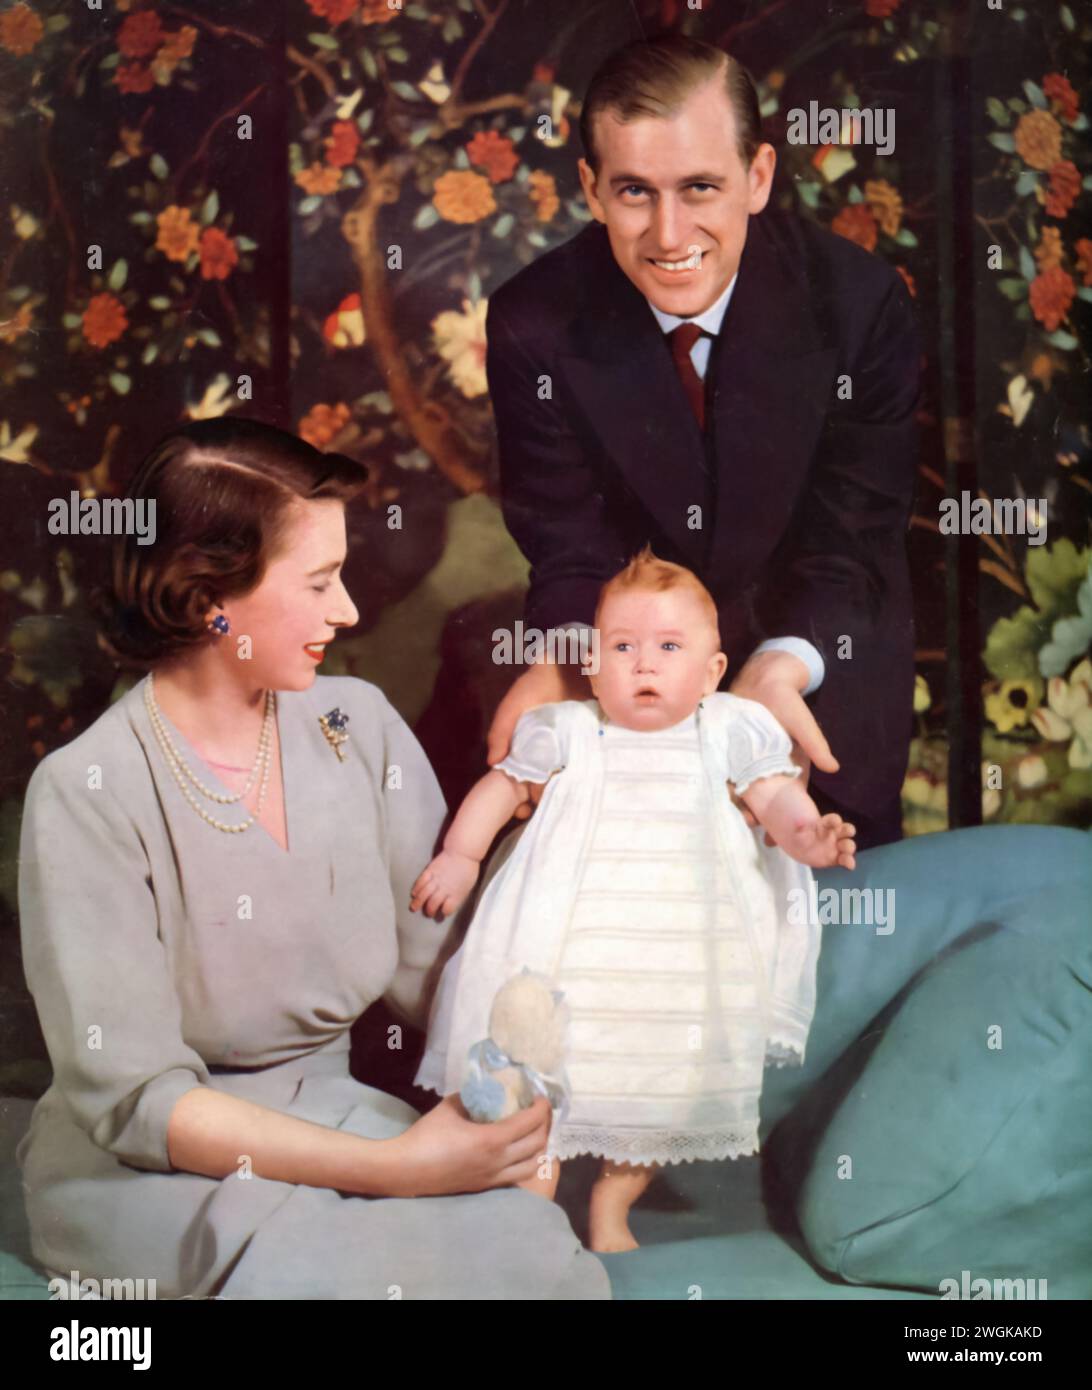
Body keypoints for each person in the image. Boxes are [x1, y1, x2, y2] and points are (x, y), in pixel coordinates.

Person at [16, 417, 609, 1300]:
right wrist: (404, 1169)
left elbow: (448, 965)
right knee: (332, 1277)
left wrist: (522, 1086)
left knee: (529, 1256)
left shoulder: (355, 723)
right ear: (206, 597)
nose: (350, 611)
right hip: (148, 1167)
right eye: (321, 581)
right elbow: (137, 1101)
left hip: (340, 1118)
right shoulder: (85, 789)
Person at [485, 32, 921, 850]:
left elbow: (852, 542)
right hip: (631, 686)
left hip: (816, 674)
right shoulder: (531, 321)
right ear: (589, 188)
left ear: (757, 178)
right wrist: (567, 660)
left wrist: (777, 667)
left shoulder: (860, 305)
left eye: (700, 187)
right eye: (635, 193)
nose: (668, 231)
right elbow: (569, 546)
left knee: (831, 945)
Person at [411, 548, 857, 1253]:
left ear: (714, 672)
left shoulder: (728, 731)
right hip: (573, 953)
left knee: (666, 1094)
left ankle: (612, 1209)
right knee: (540, 1077)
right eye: (623, 647)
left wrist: (812, 838)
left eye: (669, 648)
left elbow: (777, 801)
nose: (644, 665)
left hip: (679, 965)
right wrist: (460, 856)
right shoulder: (570, 731)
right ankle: (531, 1211)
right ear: (592, 664)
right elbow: (503, 788)